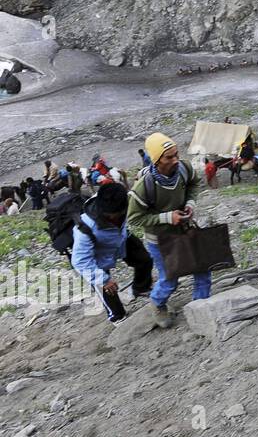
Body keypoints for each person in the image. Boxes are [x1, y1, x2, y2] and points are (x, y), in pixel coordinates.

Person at [125, 133, 203, 328]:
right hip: (159, 240)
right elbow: (134, 218)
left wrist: (191, 203)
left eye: (176, 154)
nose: (175, 160)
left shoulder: (184, 169)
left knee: (202, 269)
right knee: (170, 278)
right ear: (156, 159)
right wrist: (168, 217)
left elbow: (194, 184)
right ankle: (158, 303)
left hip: (185, 230)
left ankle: (202, 306)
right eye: (169, 157)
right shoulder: (144, 187)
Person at [69, 182, 155, 323]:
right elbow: (80, 261)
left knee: (144, 259)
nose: (114, 218)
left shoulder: (121, 199)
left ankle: (141, 288)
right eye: (110, 216)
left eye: (118, 214)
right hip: (97, 252)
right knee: (107, 288)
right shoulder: (84, 228)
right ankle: (117, 316)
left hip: (120, 237)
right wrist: (103, 280)